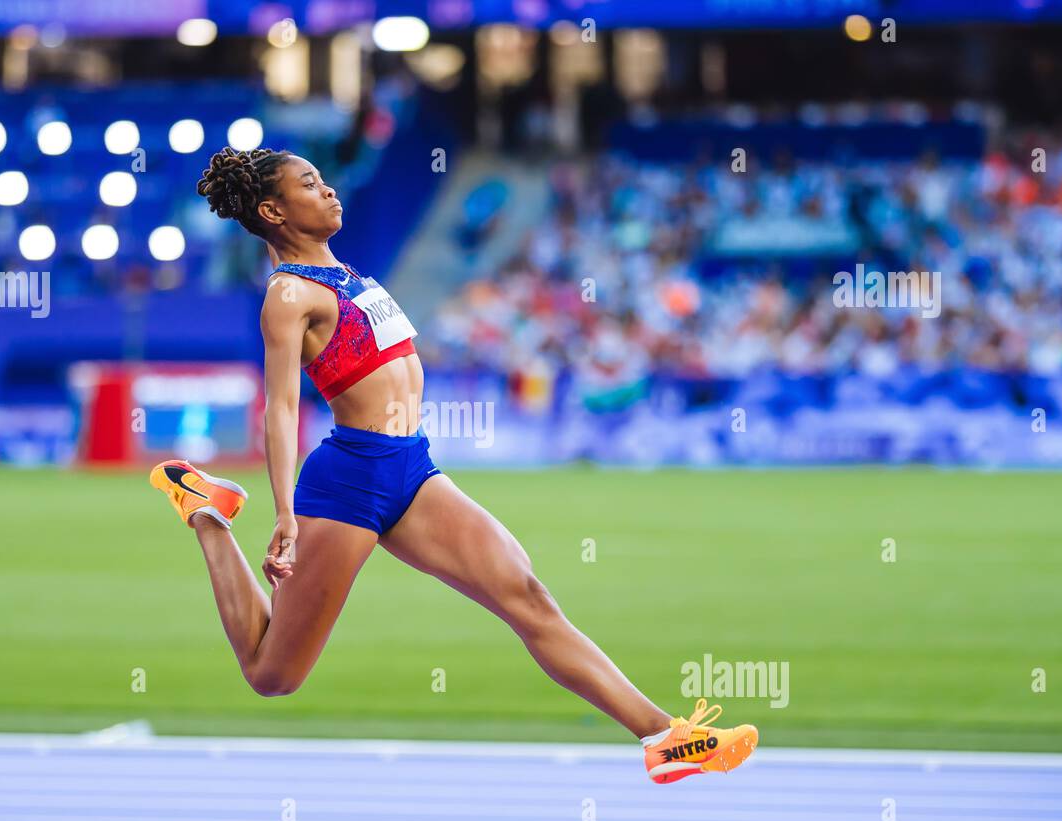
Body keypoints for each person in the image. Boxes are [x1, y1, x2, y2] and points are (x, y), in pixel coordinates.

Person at [149, 147, 759, 784]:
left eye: (325, 179)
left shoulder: (348, 274)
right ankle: (209, 515)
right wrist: (283, 513)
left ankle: (666, 739)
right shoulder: (288, 294)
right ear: (274, 211)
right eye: (310, 184)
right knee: (272, 673)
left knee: (528, 597)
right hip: (350, 483)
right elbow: (279, 407)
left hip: (412, 469)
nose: (329, 191)